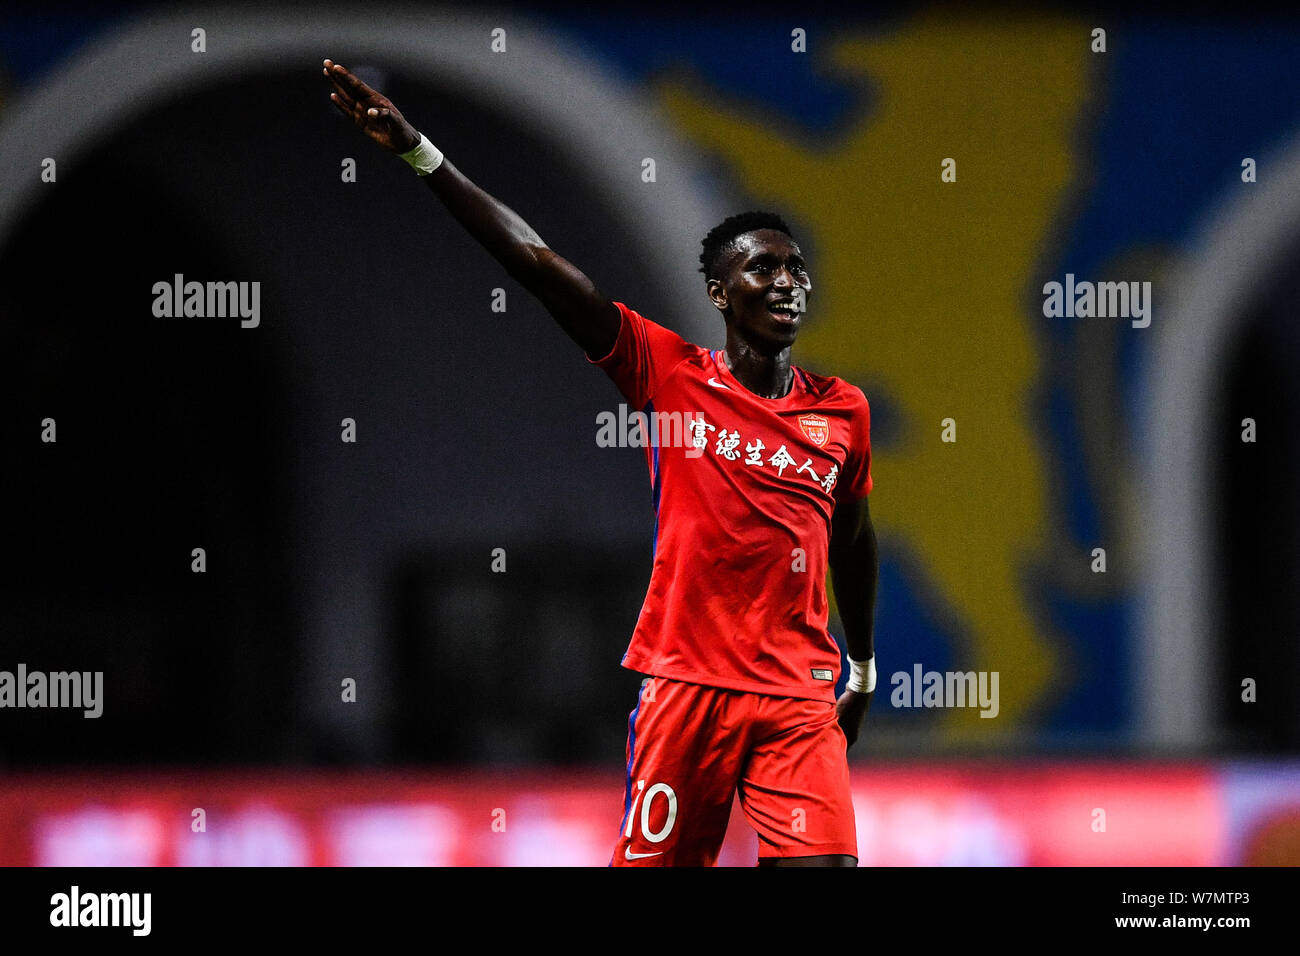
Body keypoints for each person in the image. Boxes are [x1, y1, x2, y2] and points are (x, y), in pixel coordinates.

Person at [321, 58, 880, 866]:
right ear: (721, 294)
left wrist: (859, 668)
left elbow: (855, 541)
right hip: (686, 689)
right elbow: (538, 264)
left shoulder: (843, 412)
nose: (788, 282)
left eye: (796, 268)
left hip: (797, 697)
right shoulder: (671, 374)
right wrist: (418, 152)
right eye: (764, 268)